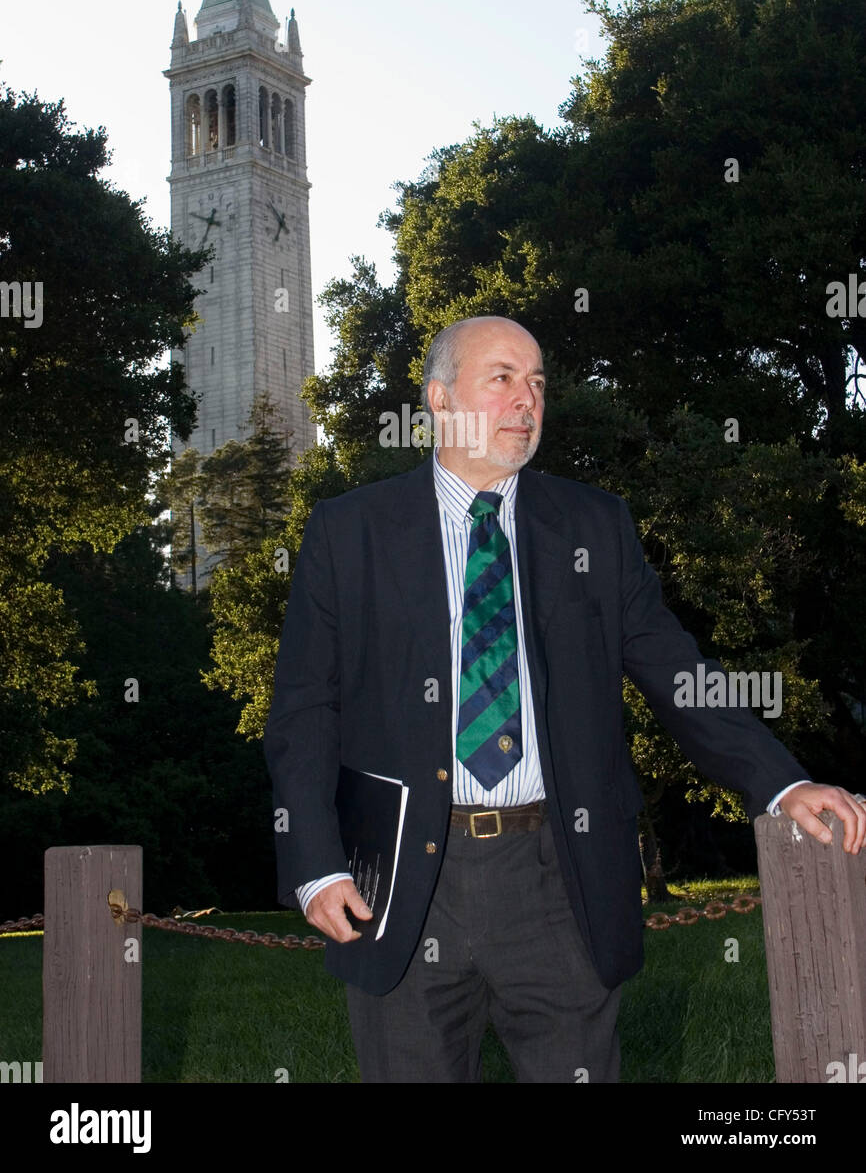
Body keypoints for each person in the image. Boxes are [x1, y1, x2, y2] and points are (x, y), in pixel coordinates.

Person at [263, 315, 866, 1083]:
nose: (528, 400)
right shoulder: (351, 532)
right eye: (503, 378)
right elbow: (304, 714)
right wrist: (315, 864)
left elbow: (678, 671)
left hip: (560, 879)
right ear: (440, 400)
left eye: (539, 382)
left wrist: (780, 781)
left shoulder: (594, 525)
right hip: (402, 888)